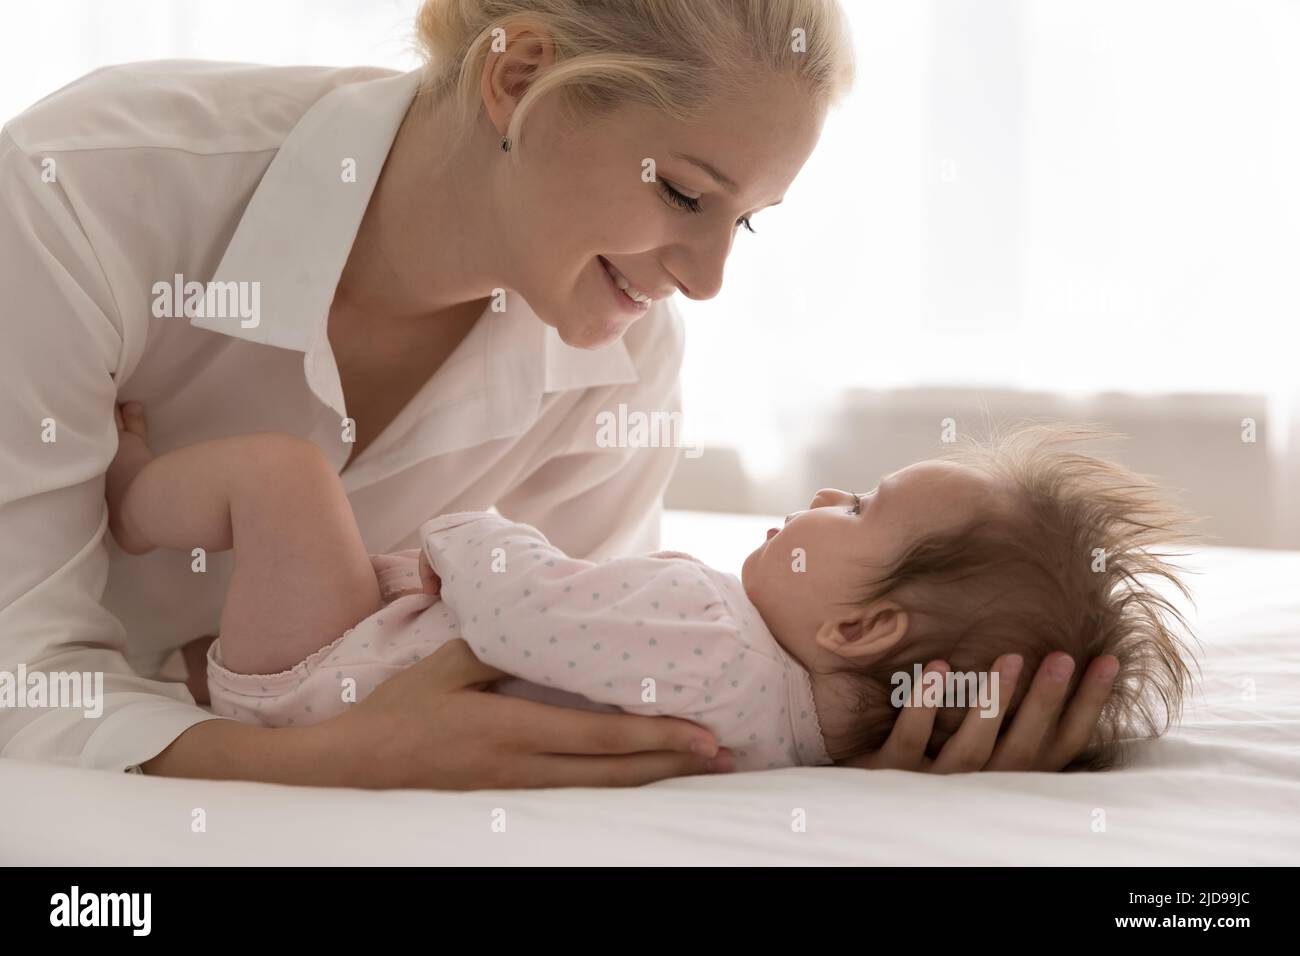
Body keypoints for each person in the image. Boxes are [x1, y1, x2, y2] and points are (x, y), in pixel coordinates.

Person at [0, 0, 1117, 788]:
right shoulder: (87, 191)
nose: (708, 278)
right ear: (518, 77)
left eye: (745, 222)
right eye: (683, 192)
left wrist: (875, 722)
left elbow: (561, 685)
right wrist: (313, 763)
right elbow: (25, 671)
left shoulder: (623, 359)